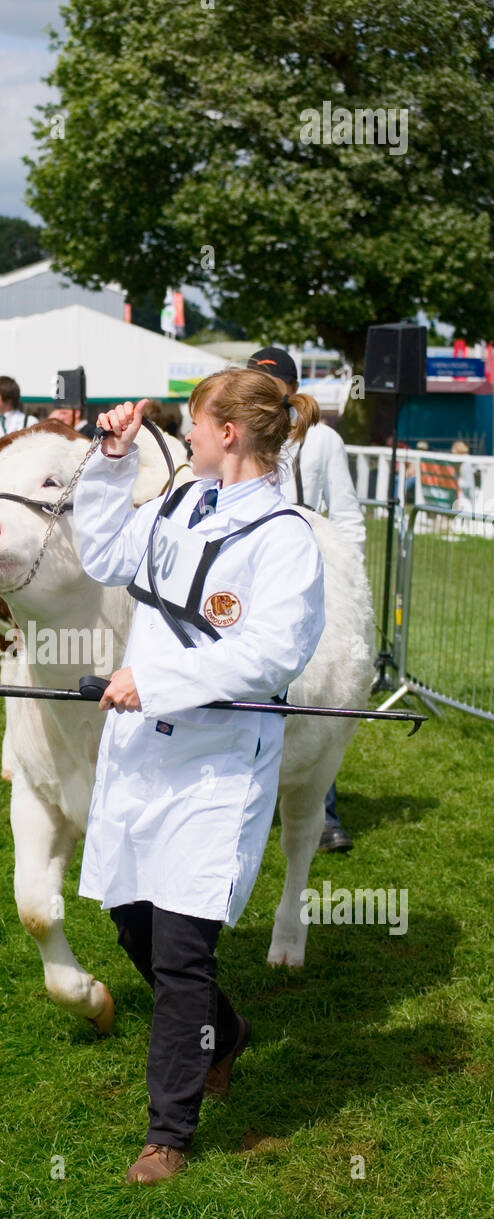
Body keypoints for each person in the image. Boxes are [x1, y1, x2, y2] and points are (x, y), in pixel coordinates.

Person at [73, 372, 325, 1185]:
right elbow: (106, 553)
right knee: (130, 923)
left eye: (194, 424)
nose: (185, 437)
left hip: (217, 765)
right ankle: (226, 1032)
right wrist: (111, 464)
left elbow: (275, 651)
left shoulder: (285, 537)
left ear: (231, 433)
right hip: (145, 752)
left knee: (183, 951)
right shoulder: (182, 505)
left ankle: (168, 1133)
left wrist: (162, 678)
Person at [247, 346, 363, 852]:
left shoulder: (321, 440)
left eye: (273, 384)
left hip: (308, 562)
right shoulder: (239, 434)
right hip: (248, 564)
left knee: (317, 681)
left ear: (292, 388)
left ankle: (322, 807)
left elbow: (348, 514)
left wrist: (349, 584)